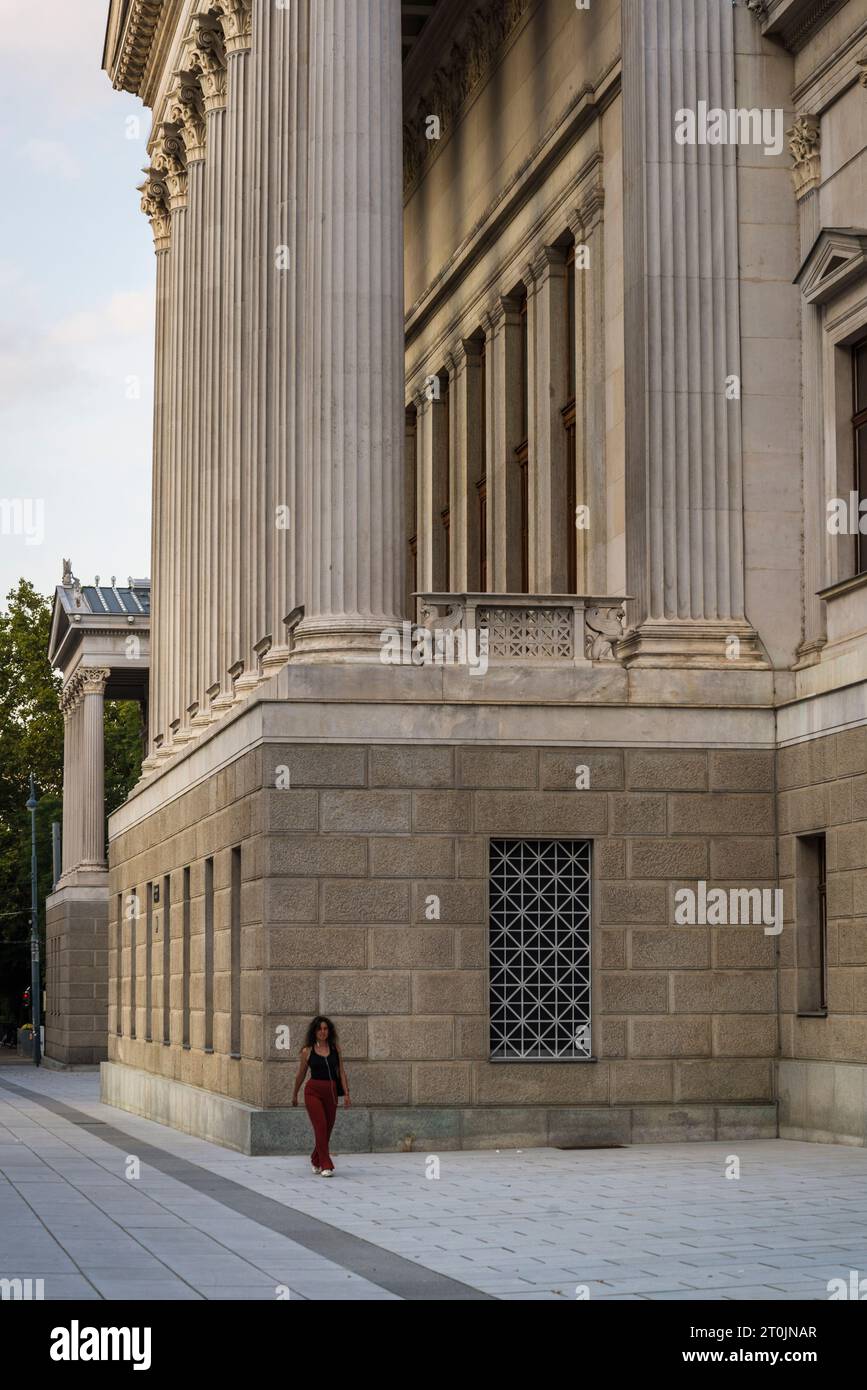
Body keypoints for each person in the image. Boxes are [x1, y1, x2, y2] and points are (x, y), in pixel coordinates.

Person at [292, 1015, 350, 1176]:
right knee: (320, 1126)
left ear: (329, 1031)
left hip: (331, 1092)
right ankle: (326, 1164)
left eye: (325, 1029)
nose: (323, 1032)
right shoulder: (307, 1051)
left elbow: (342, 1072)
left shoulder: (335, 1049)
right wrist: (295, 1094)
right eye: (319, 1029)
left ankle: (315, 1158)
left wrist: (346, 1093)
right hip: (313, 1092)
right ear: (314, 1031)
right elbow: (301, 1075)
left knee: (328, 1129)